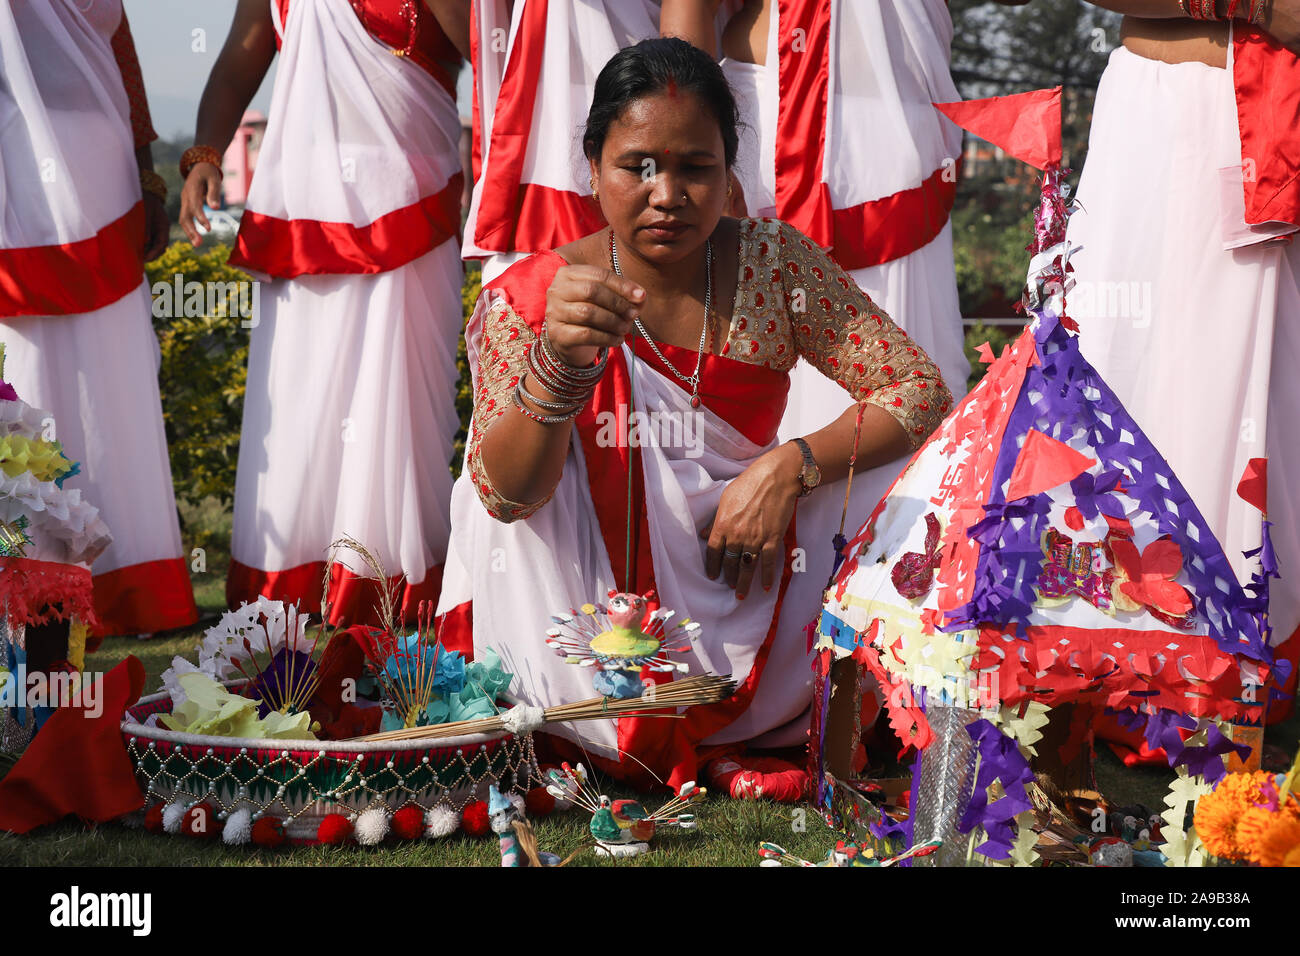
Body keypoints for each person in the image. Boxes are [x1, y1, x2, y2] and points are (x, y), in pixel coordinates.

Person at [436, 38, 952, 790]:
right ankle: (580, 713)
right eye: (637, 166)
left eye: (694, 168)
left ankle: (800, 702)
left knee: (897, 486)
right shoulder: (533, 294)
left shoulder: (774, 264)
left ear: (728, 171)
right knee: (480, 497)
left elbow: (918, 390)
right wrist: (560, 364)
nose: (667, 193)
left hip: (742, 559)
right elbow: (506, 497)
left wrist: (790, 468)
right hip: (582, 601)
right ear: (592, 169)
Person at [180, 0, 468, 626]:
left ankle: (392, 604)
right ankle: (285, 610)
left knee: (401, 415)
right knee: (301, 416)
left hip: (411, 208)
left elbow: (476, 44)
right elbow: (240, 55)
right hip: (303, 222)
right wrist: (204, 154)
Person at [1064, 1, 1300, 737]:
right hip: (1149, 106)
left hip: (1267, 113)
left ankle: (1232, 671)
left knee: (1247, 388)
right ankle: (1095, 661)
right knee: (1116, 364)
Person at [661, 0, 971, 522]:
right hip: (765, 101)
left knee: (911, 383)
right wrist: (695, 147)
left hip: (891, 118)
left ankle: (900, 587)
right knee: (761, 331)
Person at [0, 0, 198, 641]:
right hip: (58, 158)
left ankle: (71, 592)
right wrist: (148, 176)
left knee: (76, 373)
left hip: (77, 165)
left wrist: (150, 180)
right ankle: (79, 591)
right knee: (67, 372)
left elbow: (121, 52)